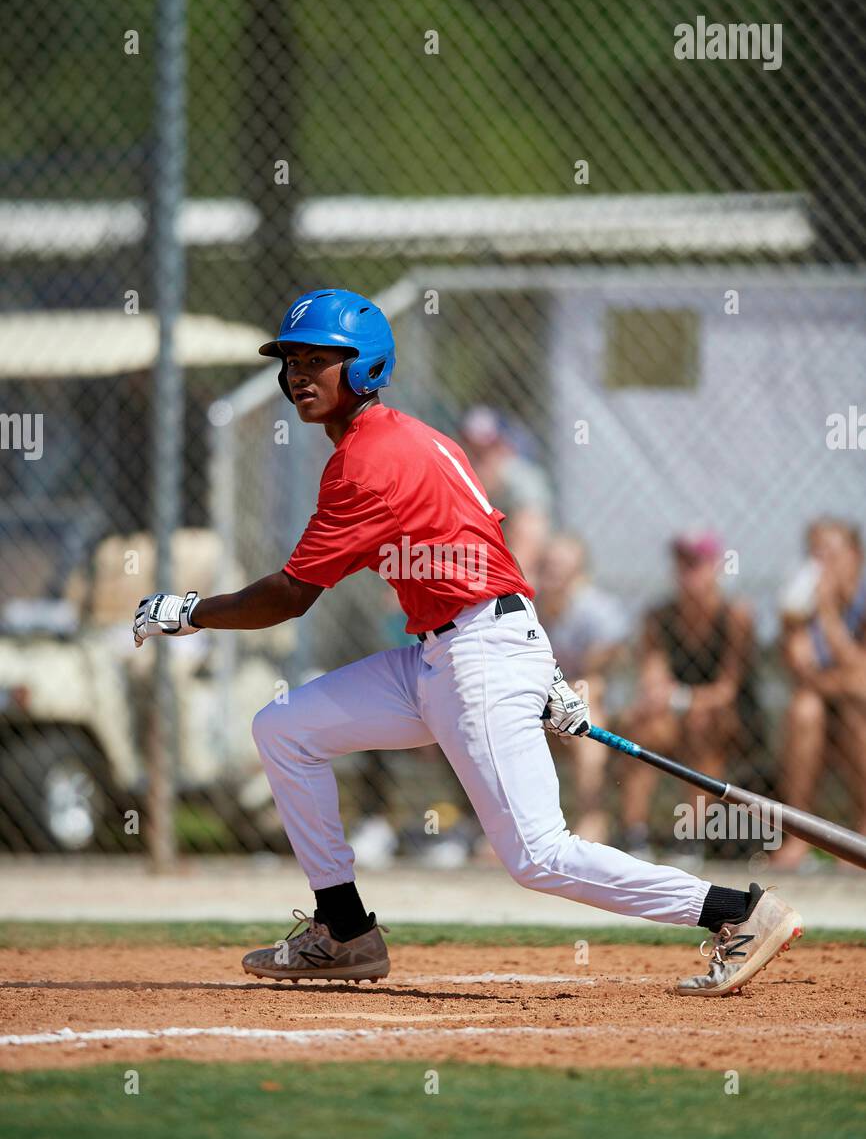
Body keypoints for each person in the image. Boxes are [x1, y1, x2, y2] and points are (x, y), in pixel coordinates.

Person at [133, 290, 800, 997]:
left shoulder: (367, 462)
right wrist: (539, 664)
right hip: (452, 652)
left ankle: (739, 912)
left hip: (477, 655)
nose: (300, 373)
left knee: (537, 856)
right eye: (292, 360)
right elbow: (484, 551)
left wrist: (190, 612)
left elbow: (290, 597)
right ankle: (345, 931)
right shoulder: (414, 438)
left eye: (320, 359)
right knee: (285, 728)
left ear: (364, 368)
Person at [619, 531, 761, 860]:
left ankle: (690, 837)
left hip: (730, 721)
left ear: (716, 567)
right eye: (682, 562)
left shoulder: (735, 615)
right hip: (675, 716)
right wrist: (662, 697)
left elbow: (727, 691)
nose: (687, 571)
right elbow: (653, 680)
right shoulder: (659, 617)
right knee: (644, 728)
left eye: (696, 563)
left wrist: (679, 699)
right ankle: (635, 835)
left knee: (701, 722)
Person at [776, 519, 866, 870]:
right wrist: (838, 683)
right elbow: (801, 671)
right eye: (814, 552)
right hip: (822, 709)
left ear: (855, 556)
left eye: (830, 552)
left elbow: (861, 683)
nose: (820, 561)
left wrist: (828, 613)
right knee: (805, 709)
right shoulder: (799, 607)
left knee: (856, 717)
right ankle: (799, 835)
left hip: (856, 713)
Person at [535, 533, 629, 842]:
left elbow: (596, 677)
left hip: (589, 700)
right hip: (539, 701)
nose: (552, 573)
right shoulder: (527, 609)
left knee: (588, 713)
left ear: (580, 573)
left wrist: (566, 697)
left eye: (561, 567)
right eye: (547, 565)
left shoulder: (597, 612)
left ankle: (592, 816)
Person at [459, 406, 552, 587]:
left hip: (523, 574)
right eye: (472, 449)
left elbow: (529, 545)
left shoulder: (521, 480)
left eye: (487, 450)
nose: (479, 458)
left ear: (504, 449)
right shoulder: (458, 478)